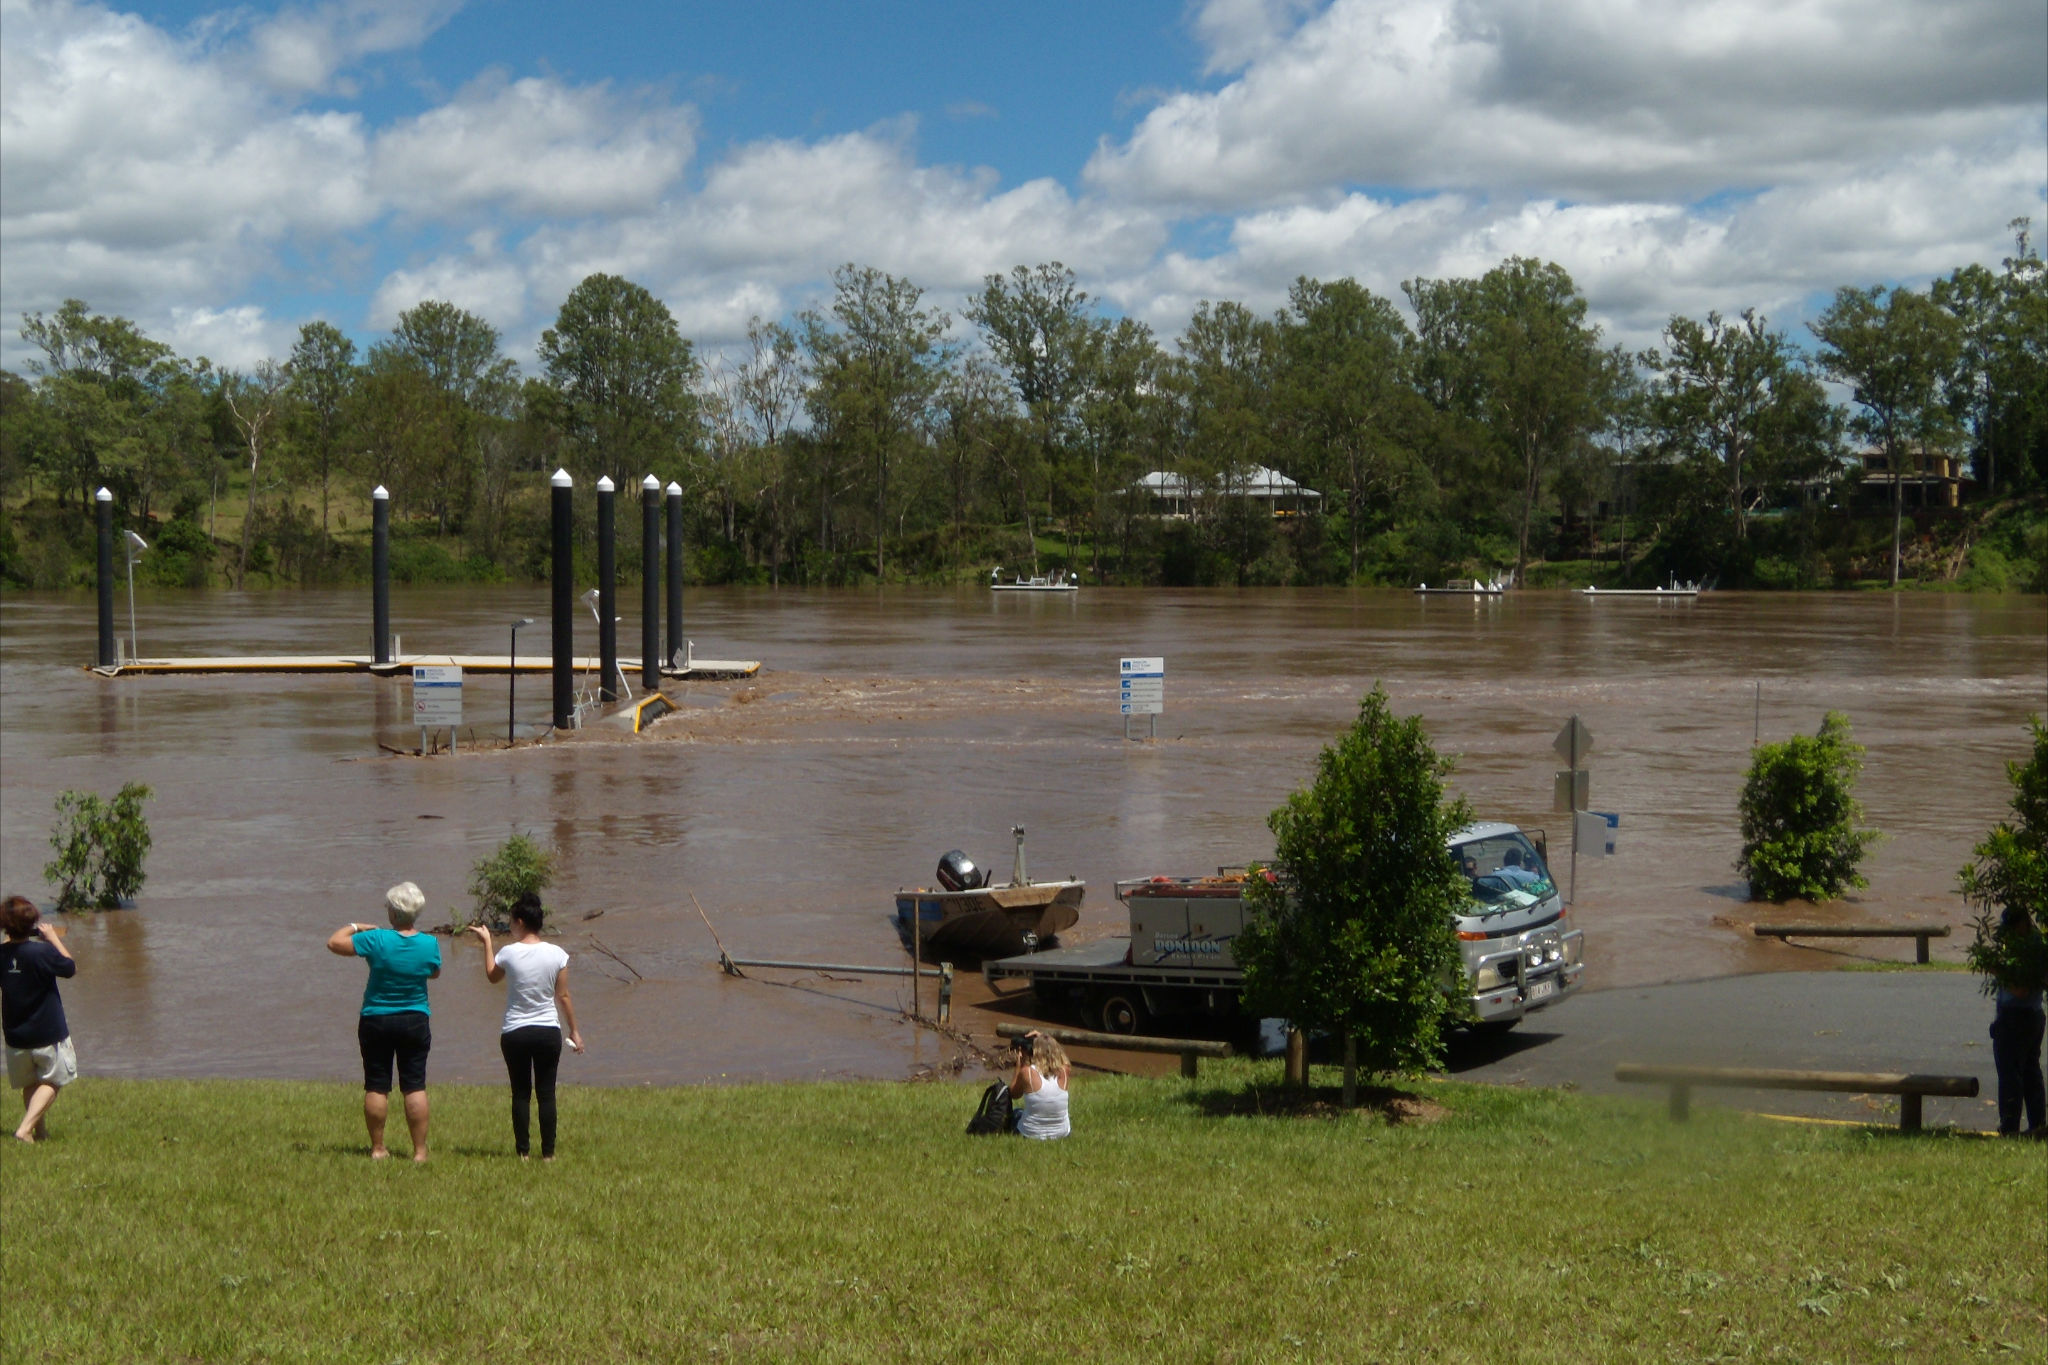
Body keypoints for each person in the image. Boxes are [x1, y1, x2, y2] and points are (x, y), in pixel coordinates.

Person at [327, 882, 441, 1162]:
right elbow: (434, 972)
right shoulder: (429, 943)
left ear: (393, 912)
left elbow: (334, 942)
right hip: (415, 1018)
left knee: (377, 1084)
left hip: (376, 1018)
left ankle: (378, 1148)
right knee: (414, 1085)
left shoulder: (376, 940)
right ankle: (419, 1152)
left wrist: (357, 925)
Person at [469, 892, 582, 1160]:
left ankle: (523, 1153)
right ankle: (549, 1154)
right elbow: (563, 996)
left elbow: (491, 977)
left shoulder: (508, 952)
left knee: (520, 1093)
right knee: (546, 1093)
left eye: (511, 921)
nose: (510, 926)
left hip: (515, 1032)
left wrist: (487, 943)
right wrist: (574, 1031)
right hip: (547, 1031)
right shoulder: (558, 954)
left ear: (520, 921)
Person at [2, 896, 78, 1144]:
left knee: (31, 1084)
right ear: (33, 923)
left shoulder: (2, 954)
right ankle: (24, 1130)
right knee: (53, 1081)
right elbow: (69, 967)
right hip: (47, 1032)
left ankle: (39, 1132)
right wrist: (53, 939)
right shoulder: (42, 951)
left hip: (16, 1035)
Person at [1988, 905, 2046, 1137]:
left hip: (2017, 1015)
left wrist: (1997, 970)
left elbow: (2020, 989)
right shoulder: (2038, 945)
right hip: (2033, 1015)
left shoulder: (2030, 949)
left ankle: (2010, 1126)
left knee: (2010, 1073)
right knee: (2031, 1071)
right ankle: (2038, 1124)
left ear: (2023, 924)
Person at [1009, 1030, 1070, 1140]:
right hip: (1061, 1133)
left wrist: (1019, 1066)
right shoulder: (1065, 1070)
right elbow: (1060, 1054)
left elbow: (1013, 1093)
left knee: (1016, 1113)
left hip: (1030, 1133)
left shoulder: (1027, 1072)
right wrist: (1044, 1038)